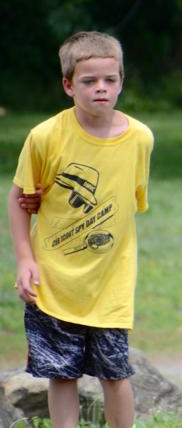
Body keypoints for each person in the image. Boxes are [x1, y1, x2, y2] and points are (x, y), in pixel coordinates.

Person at [7, 31, 154, 428]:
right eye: (89, 81)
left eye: (110, 80)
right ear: (69, 85)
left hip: (110, 281)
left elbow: (128, 203)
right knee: (61, 371)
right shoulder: (44, 137)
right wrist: (25, 260)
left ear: (122, 81)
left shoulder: (140, 139)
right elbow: (19, 199)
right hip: (54, 280)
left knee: (115, 371)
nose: (101, 89)